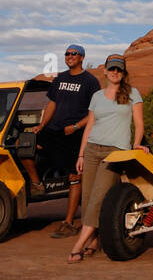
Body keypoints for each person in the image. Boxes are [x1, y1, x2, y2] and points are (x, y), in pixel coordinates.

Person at [68, 54, 145, 263]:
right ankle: (94, 240)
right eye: (112, 69)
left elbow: (139, 123)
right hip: (92, 149)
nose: (115, 72)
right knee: (87, 198)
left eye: (119, 70)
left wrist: (137, 143)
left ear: (124, 73)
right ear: (105, 71)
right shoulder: (97, 96)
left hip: (115, 152)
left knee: (99, 196)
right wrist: (81, 153)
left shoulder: (132, 94)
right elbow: (90, 126)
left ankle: (79, 244)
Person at [24, 43, 100, 237]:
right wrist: (42, 125)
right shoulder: (60, 79)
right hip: (54, 129)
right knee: (25, 145)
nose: (69, 56)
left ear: (82, 57)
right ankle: (37, 184)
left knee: (75, 177)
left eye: (74, 53)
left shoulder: (90, 81)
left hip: (75, 134)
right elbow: (52, 103)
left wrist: (76, 126)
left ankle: (68, 223)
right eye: (67, 54)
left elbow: (95, 111)